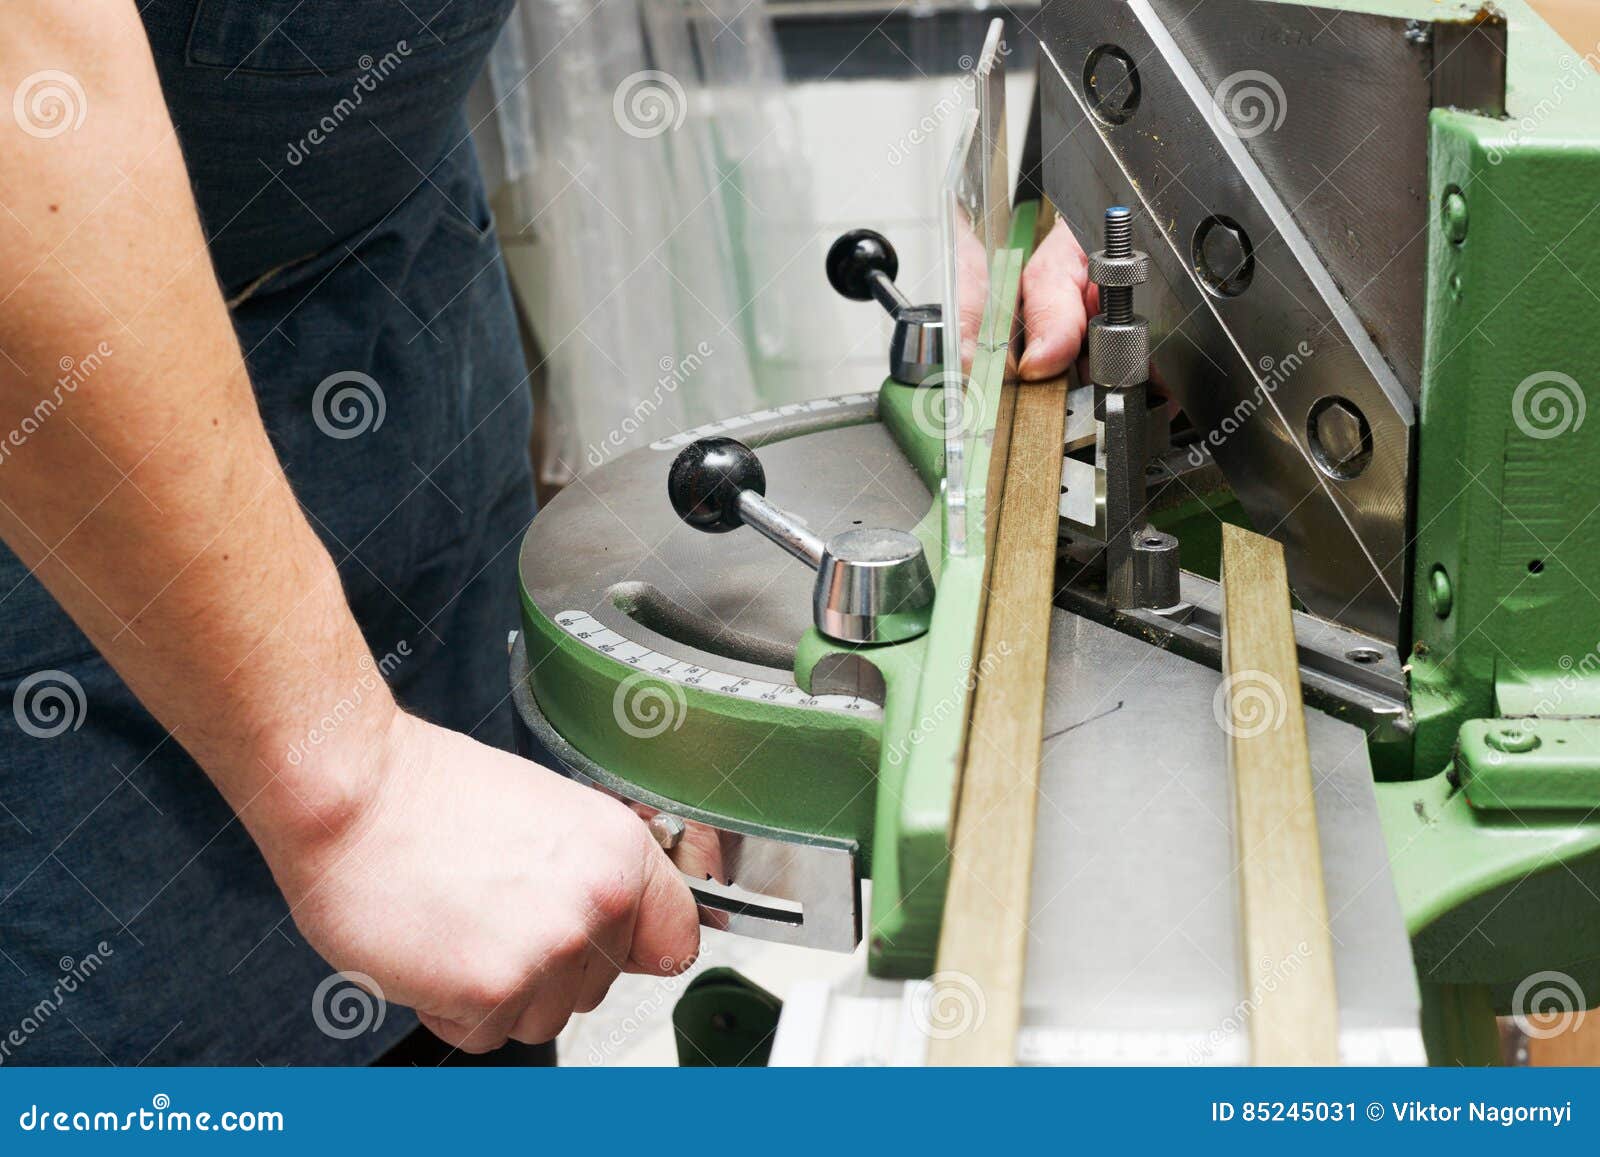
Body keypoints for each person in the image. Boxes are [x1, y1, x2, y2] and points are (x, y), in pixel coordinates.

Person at [0, 1, 1092, 1065]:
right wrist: (348, 789)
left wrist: (1087, 156)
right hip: (73, 485)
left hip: (395, 308)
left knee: (491, 996)